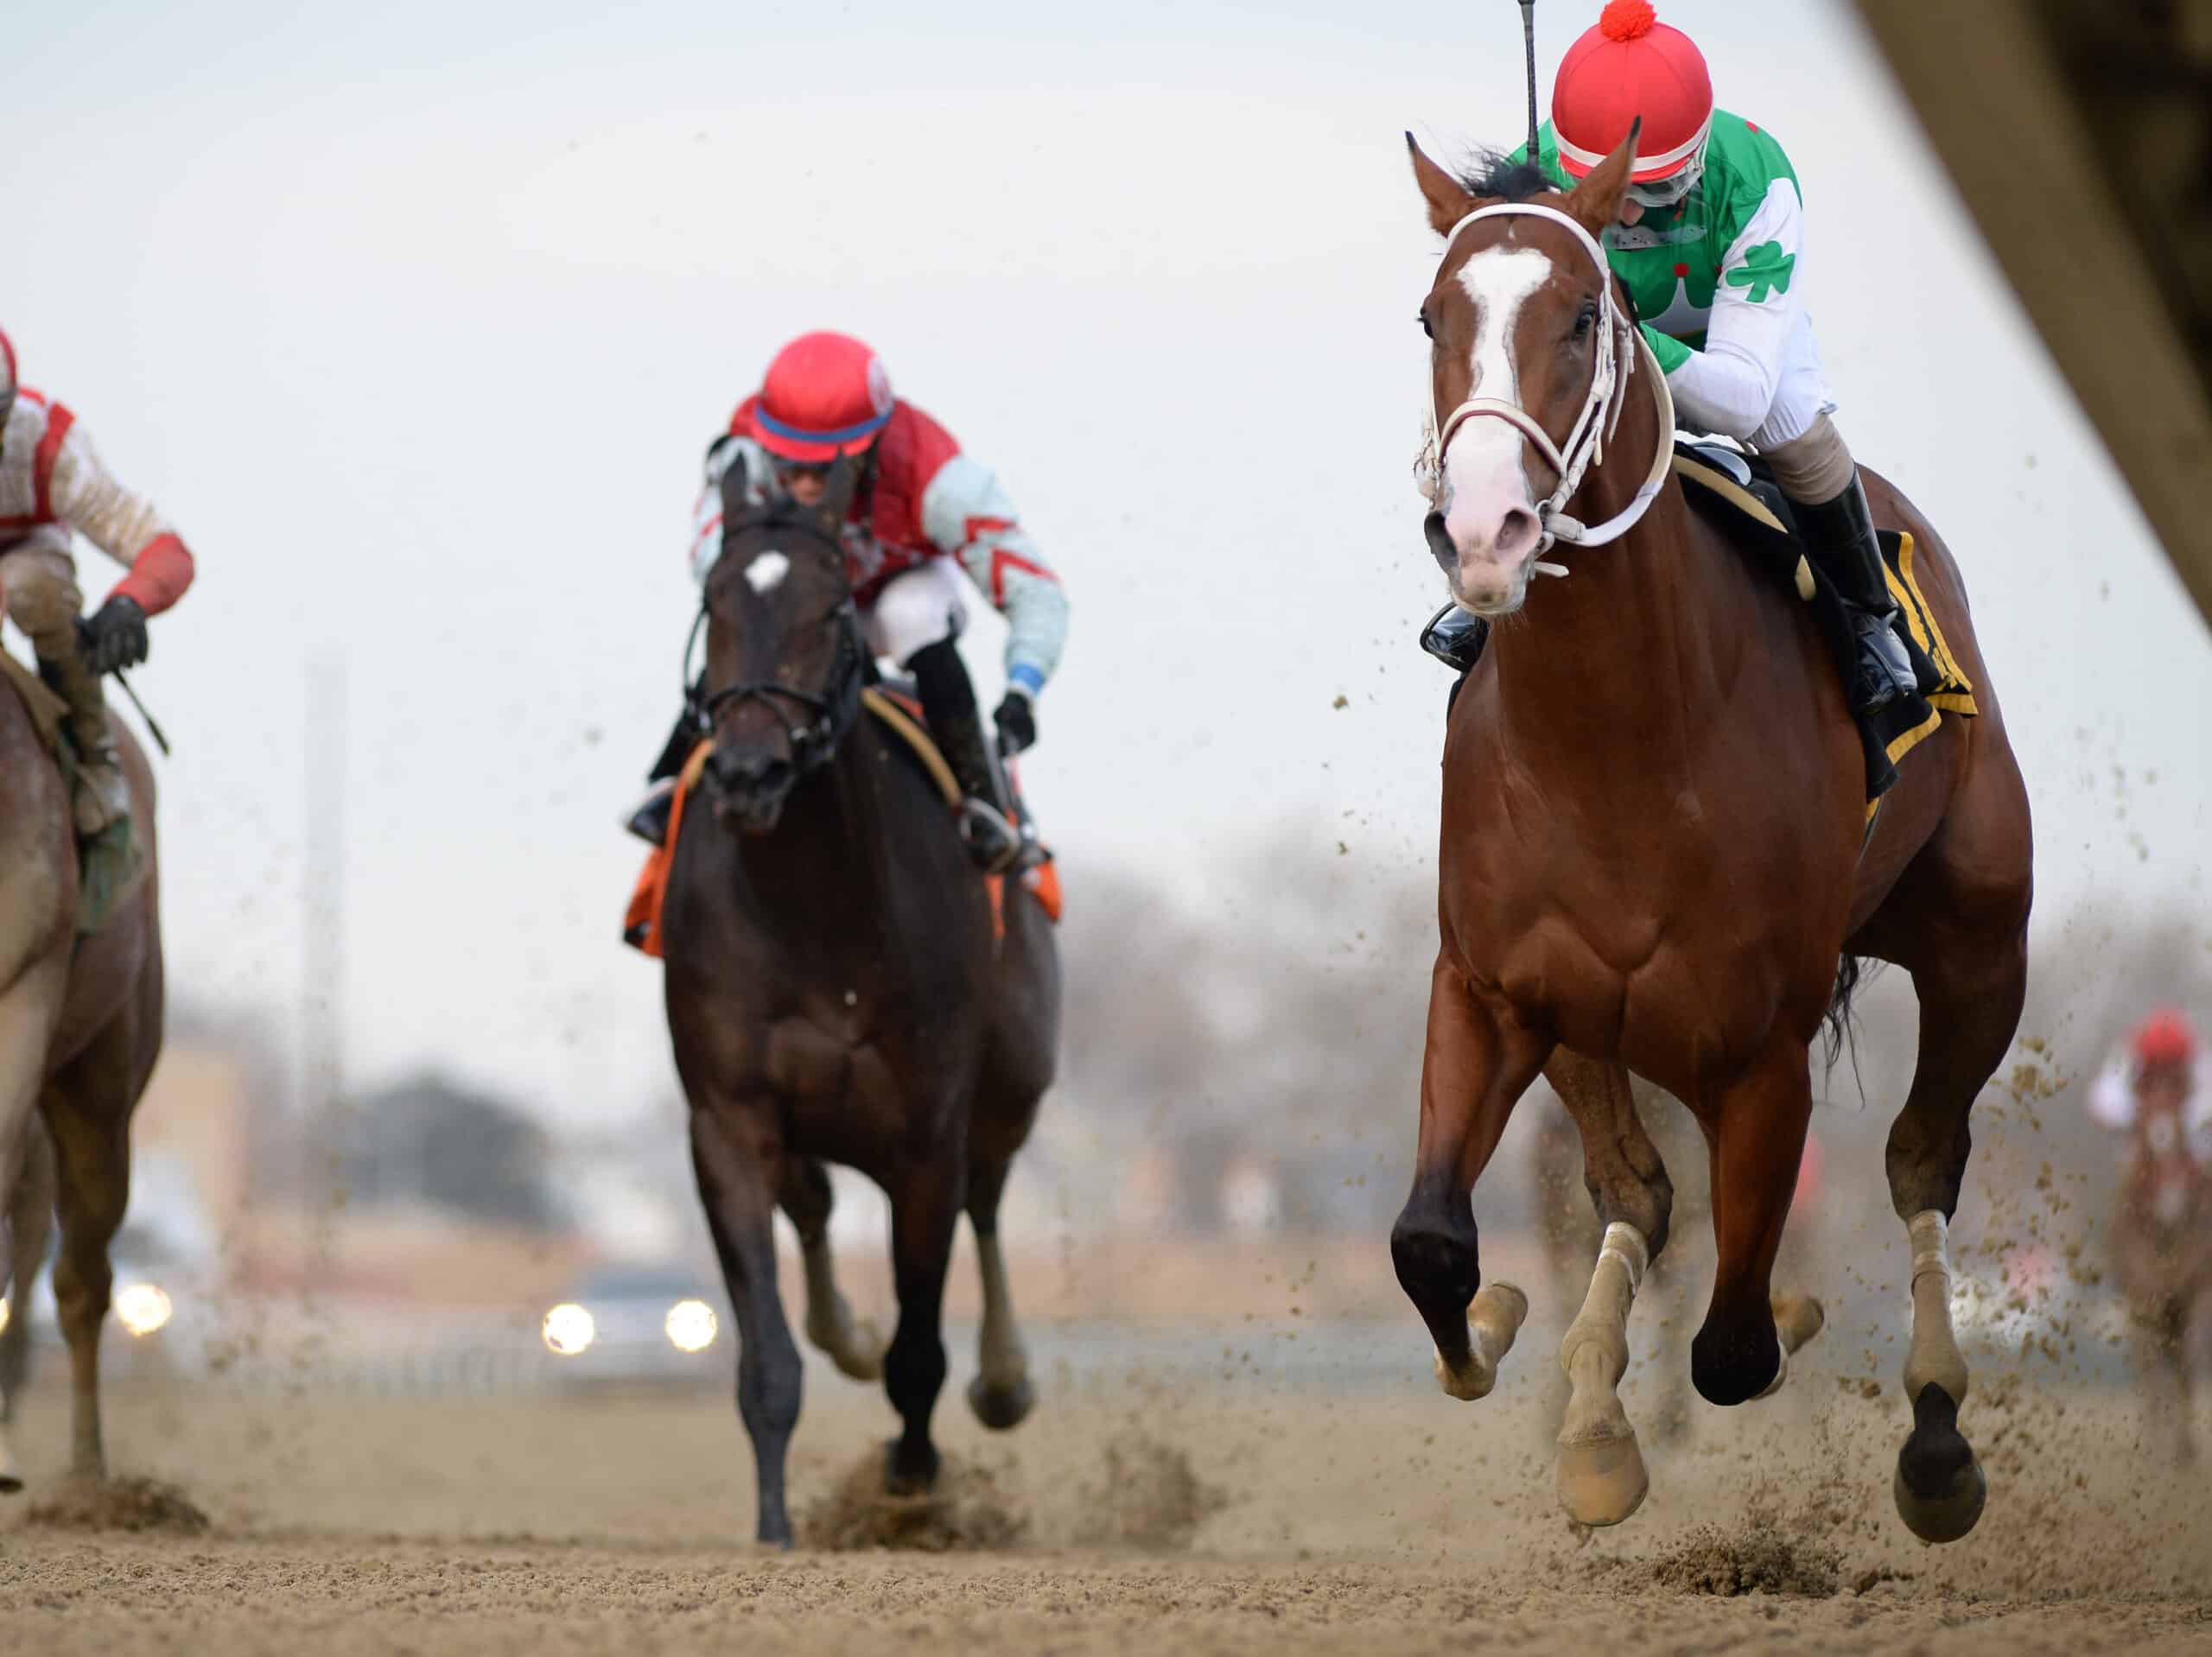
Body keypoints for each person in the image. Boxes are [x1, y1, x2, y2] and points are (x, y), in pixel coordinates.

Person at [1428, 0, 1916, 721]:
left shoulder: (1755, 182)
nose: (1626, 215)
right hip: (1588, 330)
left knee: (1795, 429)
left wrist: (1624, 334)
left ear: (1691, 159)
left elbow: (1741, 401)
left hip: (1722, 332)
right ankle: (1487, 570)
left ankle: (1869, 617)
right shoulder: (1528, 175)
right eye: (1609, 190)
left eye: (1649, 191)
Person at [630, 331, 1066, 873]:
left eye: (824, 467)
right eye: (790, 464)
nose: (805, 483)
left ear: (874, 444)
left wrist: (1023, 689)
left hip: (896, 594)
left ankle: (982, 799)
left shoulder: (943, 484)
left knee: (910, 615)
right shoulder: (741, 455)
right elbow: (711, 565)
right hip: (803, 606)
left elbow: (1037, 590)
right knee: (755, 604)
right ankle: (668, 780)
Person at [0, 327, 194, 846]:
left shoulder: (49, 443)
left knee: (29, 587)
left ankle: (94, 757)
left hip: (27, 557)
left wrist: (130, 603)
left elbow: (161, 546)